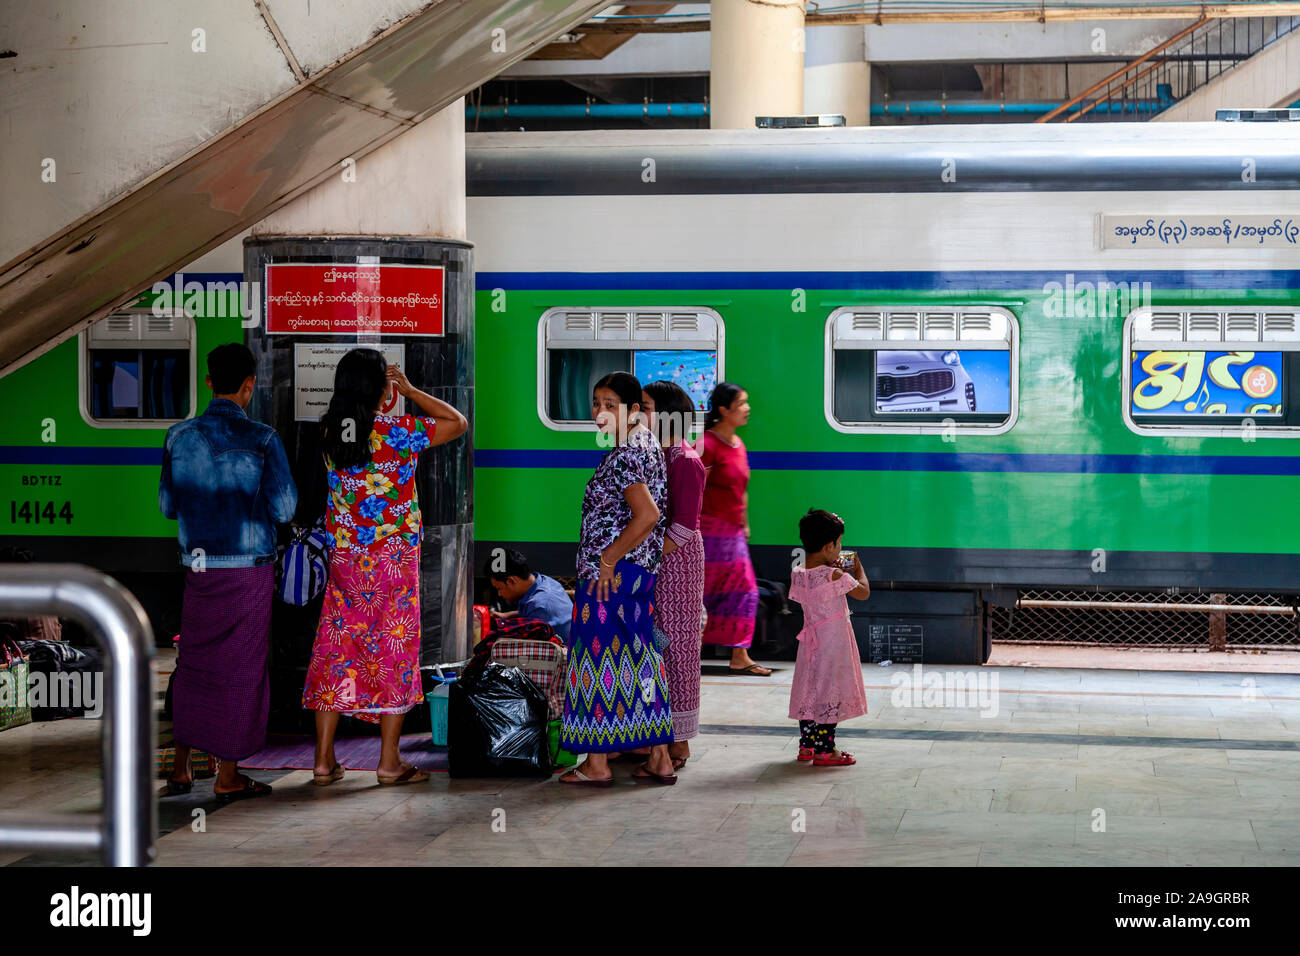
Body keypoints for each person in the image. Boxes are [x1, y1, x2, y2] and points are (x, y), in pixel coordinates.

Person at [301, 349, 467, 786]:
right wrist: (411, 391)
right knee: (393, 652)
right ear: (381, 389)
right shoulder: (398, 432)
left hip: (345, 562)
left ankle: (322, 761)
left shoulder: (328, 433)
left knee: (337, 650)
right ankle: (389, 763)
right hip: (392, 562)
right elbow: (457, 423)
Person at [158, 343, 297, 803]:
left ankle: (180, 768)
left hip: (198, 568)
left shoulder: (179, 437)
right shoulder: (262, 438)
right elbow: (284, 508)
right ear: (249, 385)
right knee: (241, 671)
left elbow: (166, 507)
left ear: (209, 382)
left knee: (193, 664)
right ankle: (228, 776)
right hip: (248, 571)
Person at [559, 371, 676, 787]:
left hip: (611, 577)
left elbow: (647, 515)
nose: (600, 411)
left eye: (611, 404)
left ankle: (597, 763)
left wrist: (607, 561)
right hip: (638, 573)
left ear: (631, 409)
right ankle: (660, 757)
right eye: (596, 403)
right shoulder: (646, 442)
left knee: (597, 660)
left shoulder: (627, 451)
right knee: (643, 656)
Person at [642, 380, 706, 770]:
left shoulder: (684, 460)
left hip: (676, 562)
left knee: (678, 649)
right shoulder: (656, 454)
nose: (638, 414)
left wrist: (644, 557)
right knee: (657, 642)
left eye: (646, 407)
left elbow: (683, 527)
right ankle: (658, 735)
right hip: (658, 560)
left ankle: (679, 740)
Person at [788, 509, 870, 767]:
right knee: (829, 692)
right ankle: (826, 751)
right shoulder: (835, 574)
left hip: (810, 643)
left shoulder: (798, 572)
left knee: (810, 689)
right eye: (839, 544)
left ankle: (807, 746)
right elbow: (864, 593)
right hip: (834, 643)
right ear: (828, 546)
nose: (840, 549)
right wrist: (857, 567)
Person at [699, 382, 771, 676]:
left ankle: (739, 654)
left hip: (732, 534)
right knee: (697, 594)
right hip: (707, 533)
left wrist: (745, 524)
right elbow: (692, 488)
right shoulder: (707, 445)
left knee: (744, 592)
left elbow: (742, 488)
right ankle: (679, 651)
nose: (747, 408)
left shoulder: (738, 444)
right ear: (723, 410)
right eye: (741, 403)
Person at [484, 549, 573, 640]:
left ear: (511, 581)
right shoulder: (544, 581)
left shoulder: (540, 606)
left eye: (499, 588)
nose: (499, 594)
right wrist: (508, 615)